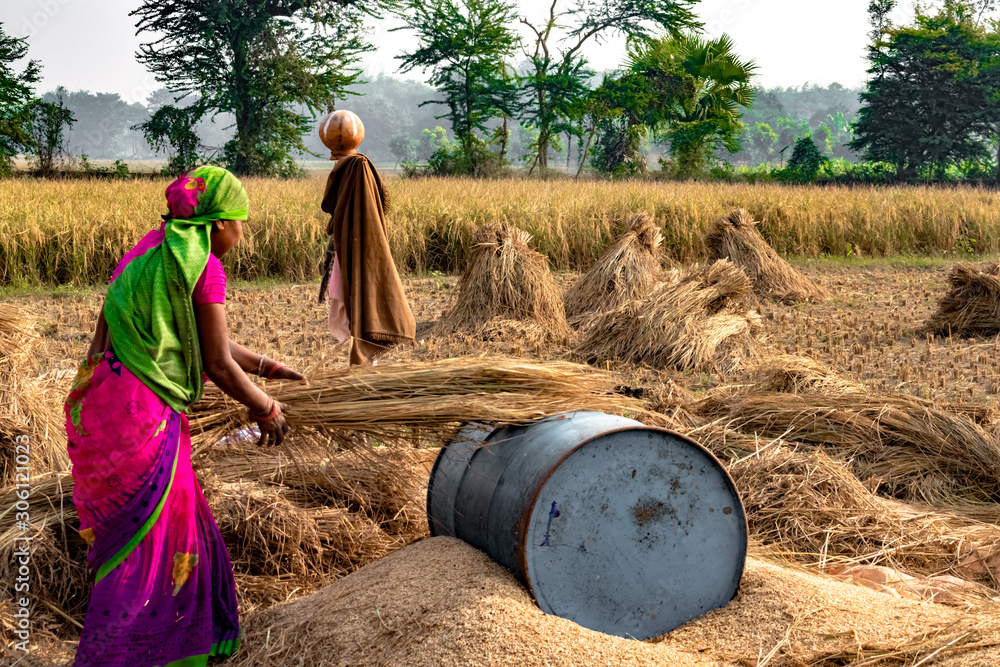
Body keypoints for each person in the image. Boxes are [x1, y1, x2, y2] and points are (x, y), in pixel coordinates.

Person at [65, 165, 305, 667]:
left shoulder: (152, 250)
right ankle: (141, 654)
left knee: (134, 538)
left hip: (103, 404)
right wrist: (265, 407)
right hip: (144, 414)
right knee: (156, 541)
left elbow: (202, 338)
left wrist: (266, 366)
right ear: (218, 224)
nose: (244, 233)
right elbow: (215, 361)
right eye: (241, 221)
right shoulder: (204, 266)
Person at [317, 111, 416, 366]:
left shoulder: (357, 168)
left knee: (363, 294)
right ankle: (363, 366)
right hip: (350, 246)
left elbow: (365, 217)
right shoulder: (352, 168)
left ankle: (364, 361)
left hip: (360, 246)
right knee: (354, 300)